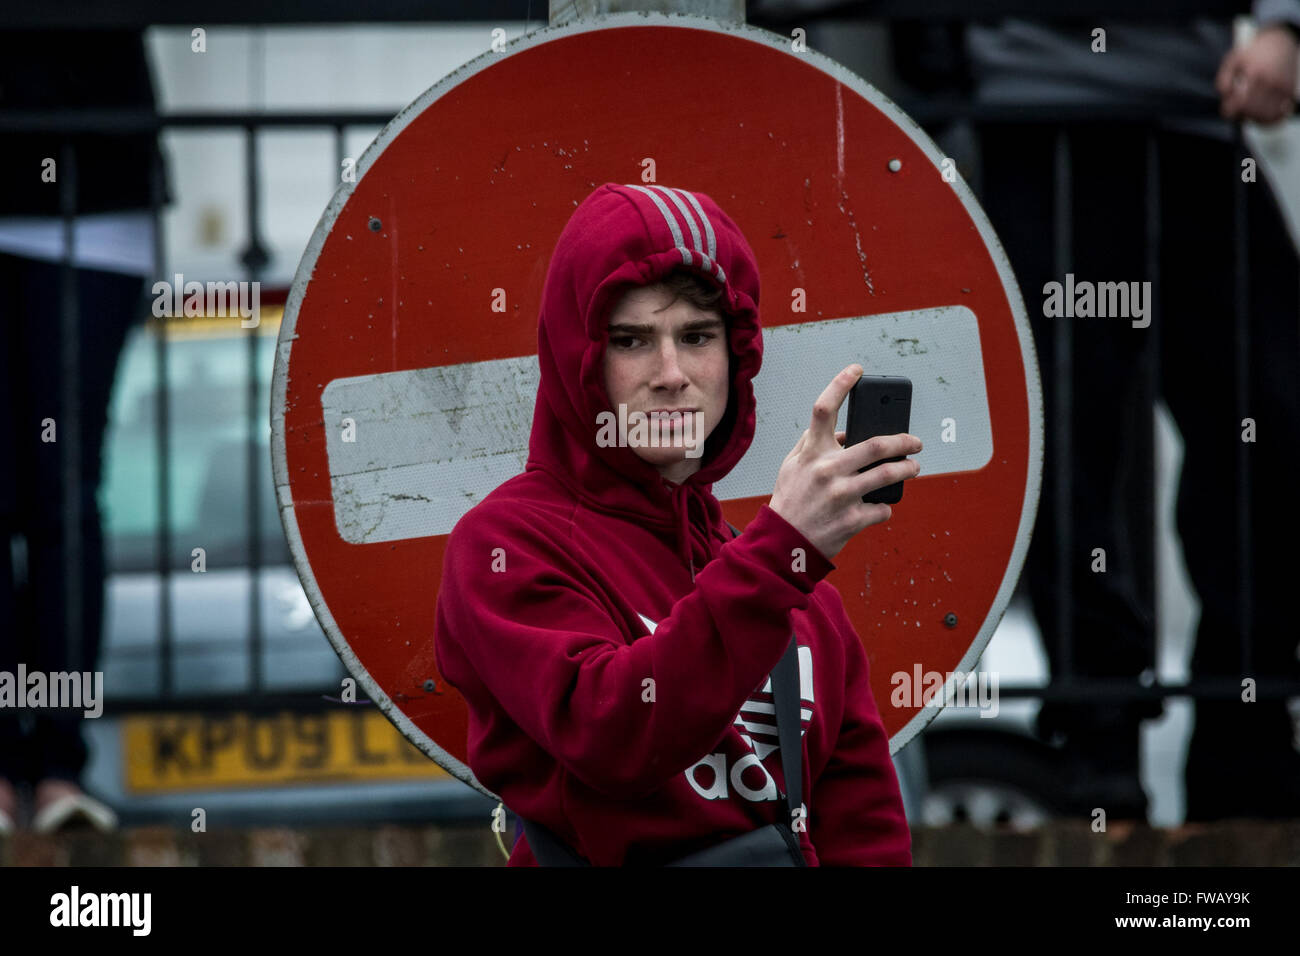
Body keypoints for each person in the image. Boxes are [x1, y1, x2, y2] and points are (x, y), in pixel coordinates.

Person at [890, 5, 1300, 821]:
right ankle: (1103, 731)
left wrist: (1288, 30)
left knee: (1272, 426)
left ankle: (1239, 731)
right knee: (1066, 443)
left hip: (1198, 121)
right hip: (1039, 118)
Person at [434, 183, 919, 865]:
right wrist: (781, 554)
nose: (672, 374)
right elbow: (615, 737)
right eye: (632, 340)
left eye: (698, 336)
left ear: (737, 357)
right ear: (582, 361)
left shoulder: (802, 591)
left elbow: (864, 834)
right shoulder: (503, 546)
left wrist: (783, 560)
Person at [0, 28, 168, 835]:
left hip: (92, 198)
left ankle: (58, 767)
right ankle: (16, 771)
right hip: (93, 187)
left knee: (62, 492)